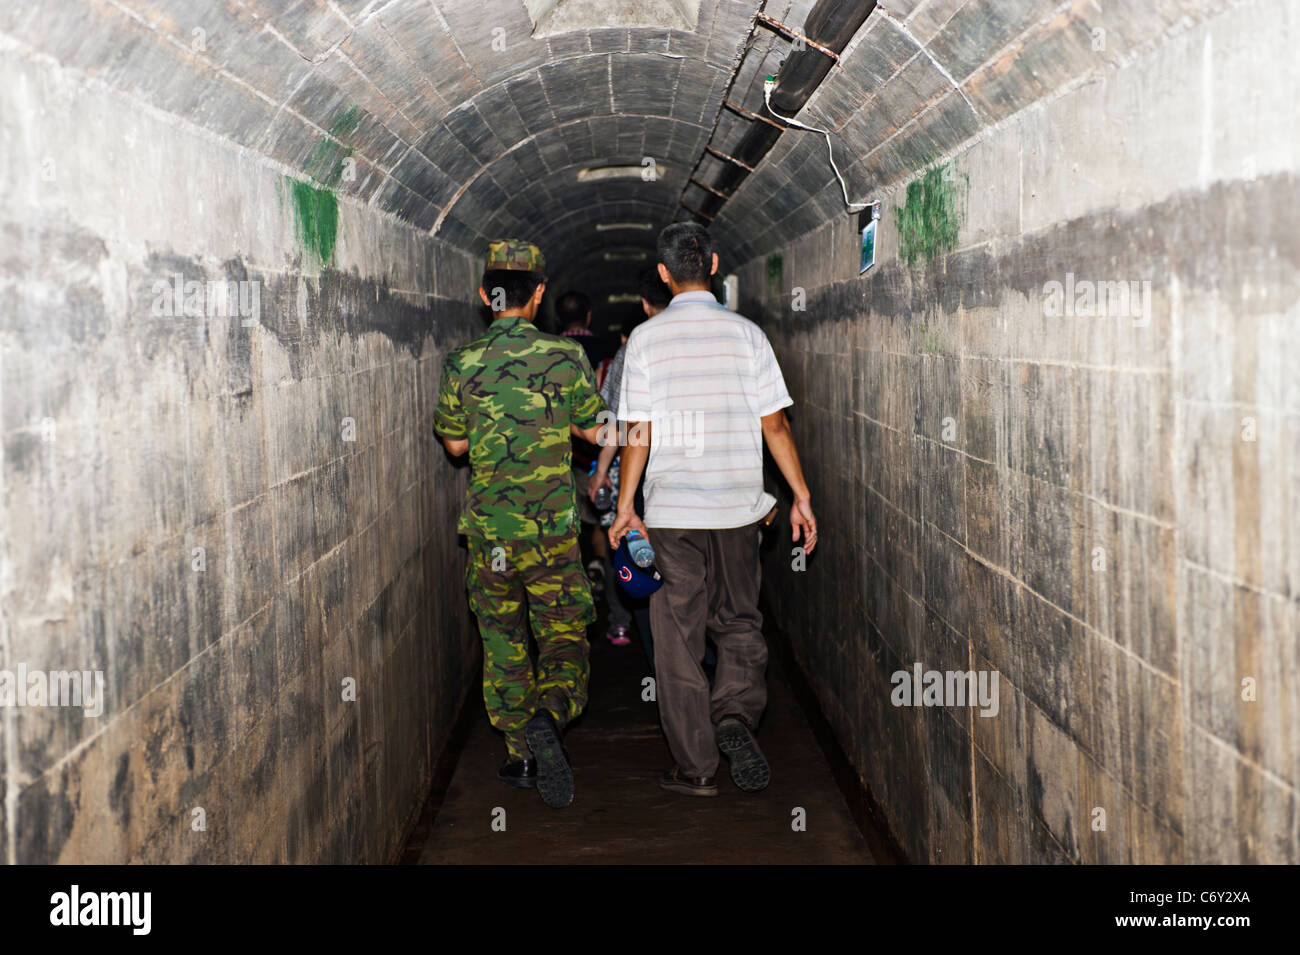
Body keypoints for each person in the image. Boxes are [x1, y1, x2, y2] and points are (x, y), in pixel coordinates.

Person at [608, 223, 818, 798]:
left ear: (663, 273)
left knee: (676, 635)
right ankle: (734, 715)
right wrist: (800, 495)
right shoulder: (748, 335)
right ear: (718, 264)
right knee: (740, 621)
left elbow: (638, 432)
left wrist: (627, 507)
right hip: (739, 506)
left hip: (673, 511)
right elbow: (774, 423)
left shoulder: (647, 340)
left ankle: (697, 766)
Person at [433, 239, 607, 809]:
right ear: (538, 294)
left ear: (486, 295)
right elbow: (593, 431)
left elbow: (456, 446)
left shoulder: (462, 361)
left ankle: (521, 754)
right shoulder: (566, 357)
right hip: (553, 534)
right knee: (563, 632)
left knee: (504, 641)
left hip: (491, 538)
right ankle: (551, 715)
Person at [590, 268, 668, 660]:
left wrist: (605, 475)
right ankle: (708, 666)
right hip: (713, 492)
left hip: (643, 486)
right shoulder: (729, 334)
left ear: (644, 304)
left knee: (643, 567)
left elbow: (618, 425)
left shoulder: (635, 347)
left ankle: (661, 661)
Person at [556, 290, 616, 596]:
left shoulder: (548, 351)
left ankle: (574, 573)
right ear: (589, 315)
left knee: (568, 518)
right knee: (599, 518)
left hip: (558, 457)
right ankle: (599, 567)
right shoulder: (608, 348)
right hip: (597, 451)